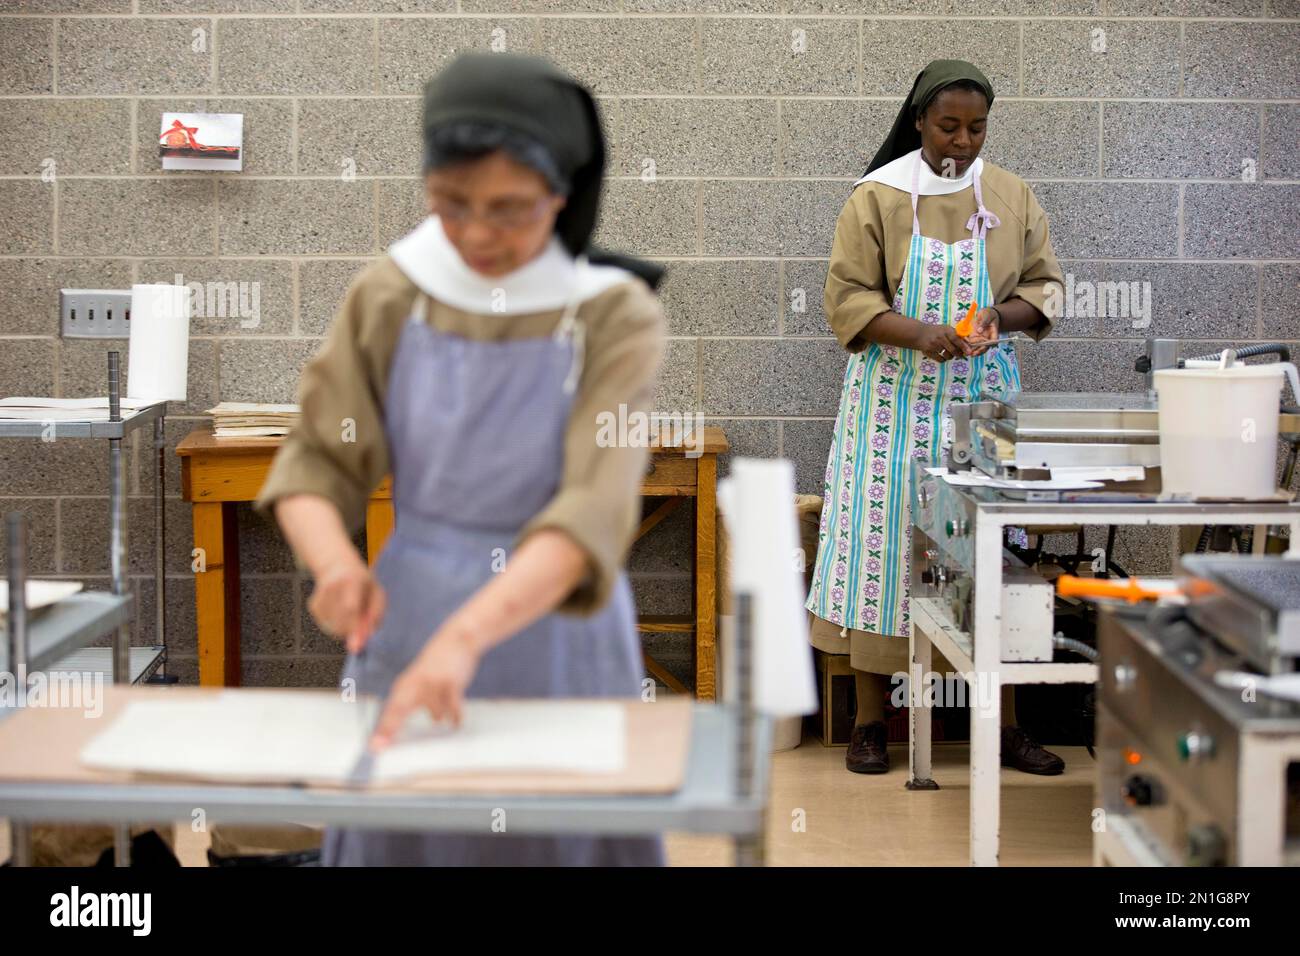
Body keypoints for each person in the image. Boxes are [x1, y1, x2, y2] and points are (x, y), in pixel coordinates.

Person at [254, 52, 667, 865]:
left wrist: (466, 637)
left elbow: (592, 508)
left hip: (557, 623)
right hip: (412, 612)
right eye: (451, 204)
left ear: (563, 193)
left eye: (511, 210)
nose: (478, 233)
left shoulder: (613, 314)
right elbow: (314, 459)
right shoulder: (393, 291)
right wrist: (335, 564)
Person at [804, 60, 1067, 777]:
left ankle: (1004, 727)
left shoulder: (1010, 195)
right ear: (918, 120)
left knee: (986, 555)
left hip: (979, 403)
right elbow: (848, 298)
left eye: (976, 128)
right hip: (888, 406)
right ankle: (869, 724)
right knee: (883, 555)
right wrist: (920, 334)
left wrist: (994, 316)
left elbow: (1044, 284)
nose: (962, 140)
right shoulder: (878, 196)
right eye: (948, 125)